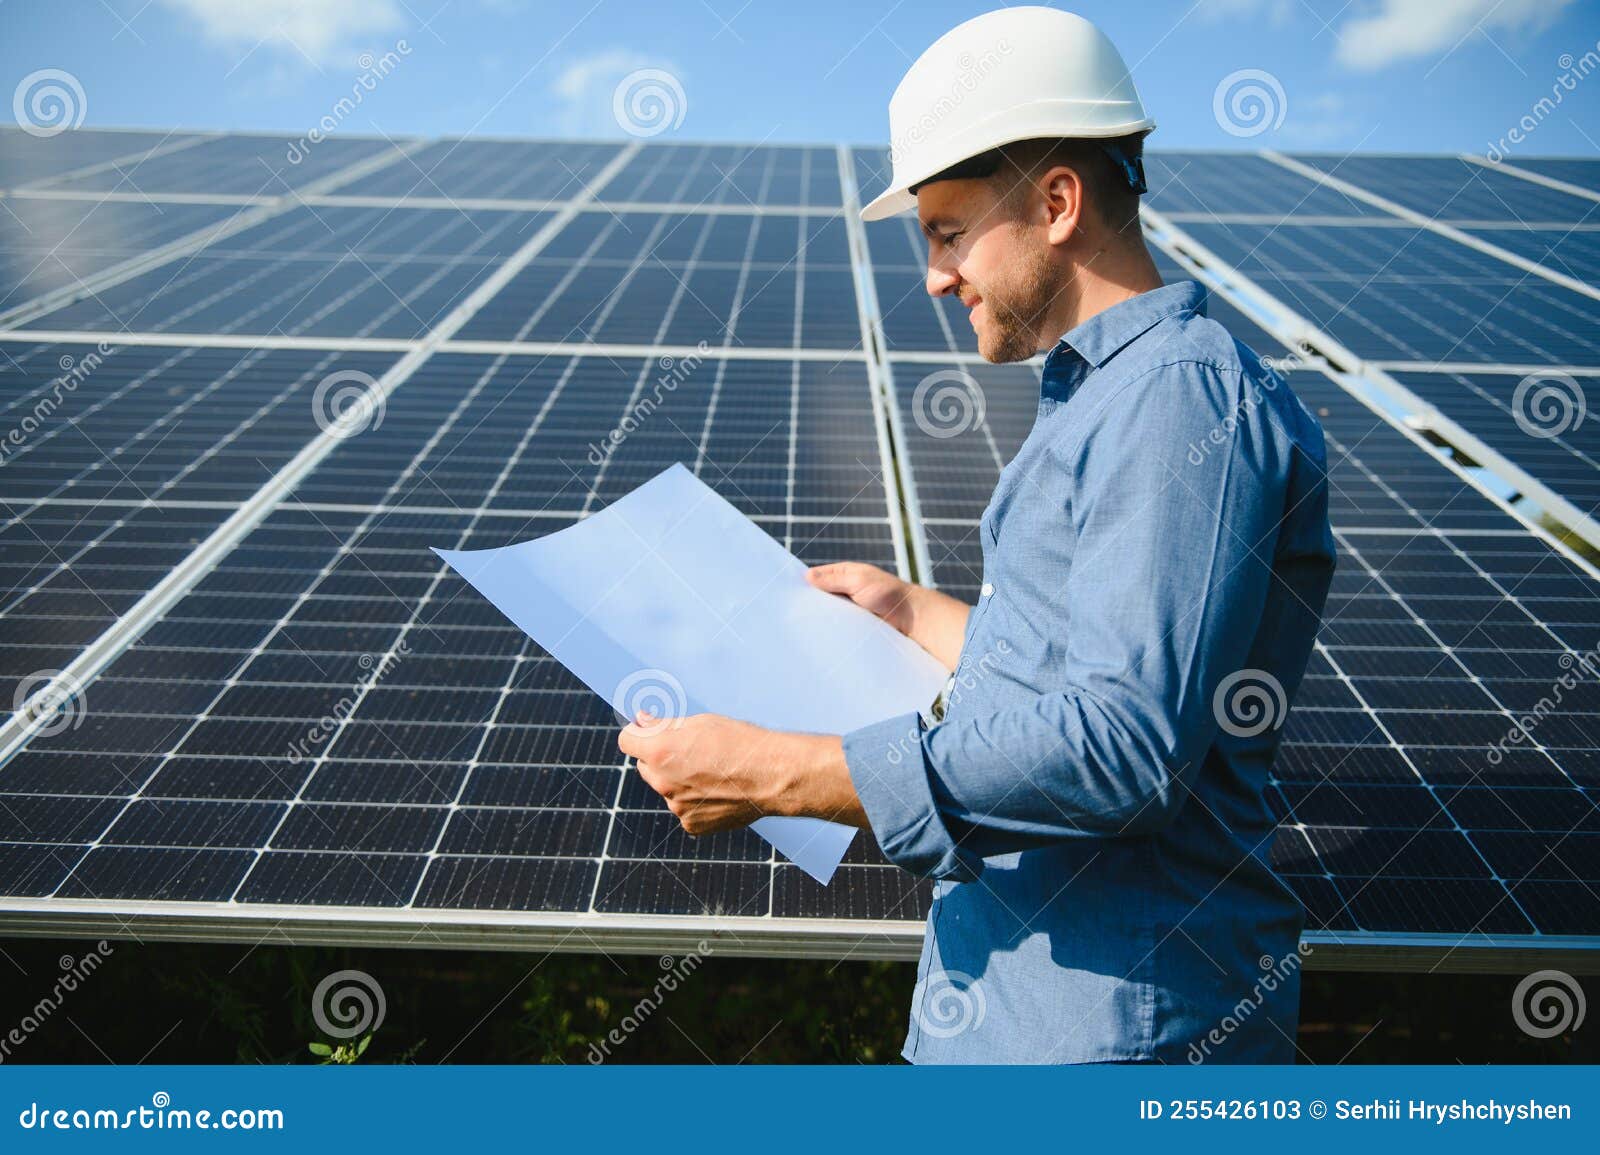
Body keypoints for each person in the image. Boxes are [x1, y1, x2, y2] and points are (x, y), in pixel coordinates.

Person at [618, 6, 1335, 1064]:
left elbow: (1122, 752)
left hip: (1111, 1037)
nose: (934, 277)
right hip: (1012, 1019)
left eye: (948, 233)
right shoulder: (1106, 399)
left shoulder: (1178, 402)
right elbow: (1078, 664)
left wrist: (788, 774)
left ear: (1055, 203)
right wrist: (914, 614)